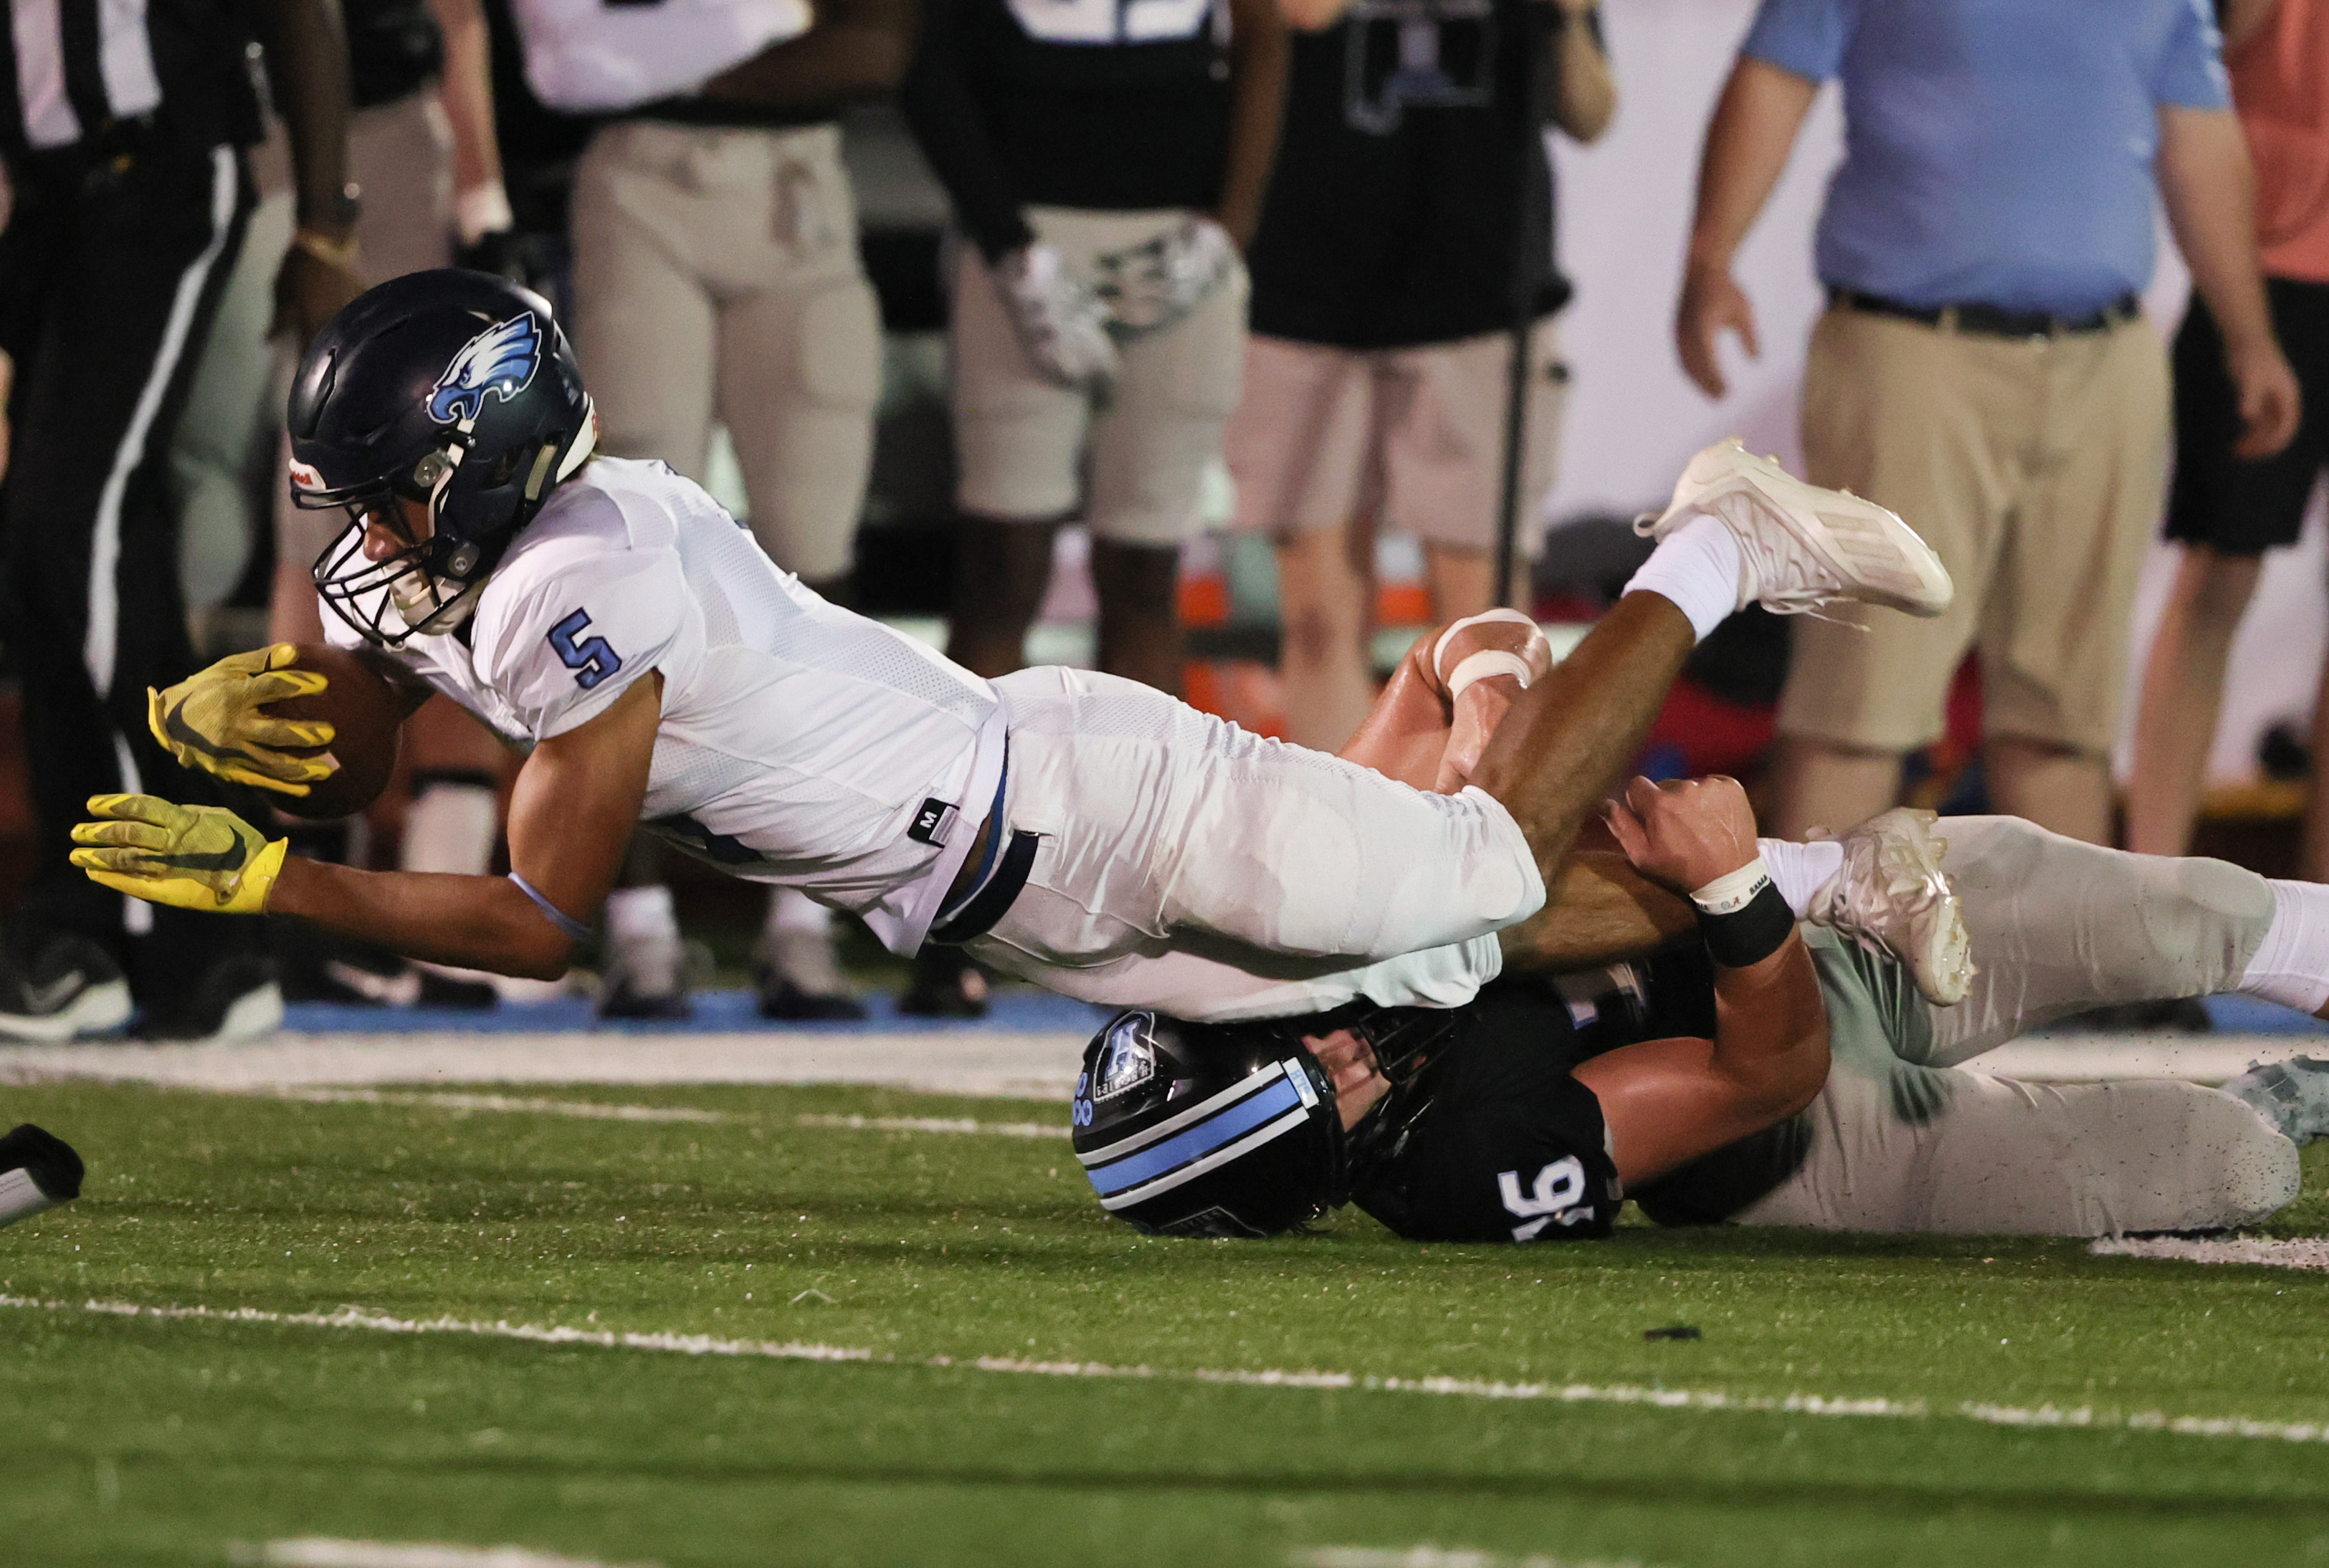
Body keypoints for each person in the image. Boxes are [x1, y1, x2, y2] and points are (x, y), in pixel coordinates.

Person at [78, 272, 1951, 1021]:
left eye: (389, 501)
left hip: (1081, 806)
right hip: (1004, 888)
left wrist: (275, 883)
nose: (367, 544)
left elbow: (533, 922)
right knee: (1434, 966)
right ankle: (1826, 883)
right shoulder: (476, 566)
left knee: (1476, 868)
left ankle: (1713, 545)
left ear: (481, 469)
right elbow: (382, 725)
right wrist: (274, 720)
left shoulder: (588, 580)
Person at [1068, 686, 2329, 1241]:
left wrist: (1486, 686)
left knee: (2196, 909)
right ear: (1319, 1167)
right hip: (1801, 1134)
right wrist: (1731, 888)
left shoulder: (1287, 931)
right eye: (1316, 1082)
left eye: (1284, 1034)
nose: (1335, 1038)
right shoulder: (1462, 1170)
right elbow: (1760, 1078)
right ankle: (2274, 1100)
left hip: (1833, 926)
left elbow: (1444, 660)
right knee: (2229, 1163)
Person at [1675, 0, 2304, 846]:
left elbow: (2197, 128)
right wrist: (1711, 256)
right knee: (1859, 711)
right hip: (1910, 356)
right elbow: (1775, 76)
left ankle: (2065, 944)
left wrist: (2248, 333)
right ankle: (1810, 938)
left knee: (2064, 725)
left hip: (2105, 364)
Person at [515, 0, 916, 1020]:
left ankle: (805, 919)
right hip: (642, 179)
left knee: (819, 569)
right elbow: (561, 65)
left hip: (799, 181)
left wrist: (666, 57)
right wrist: (768, 39)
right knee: (622, 563)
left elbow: (882, 45)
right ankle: (639, 923)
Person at [0, 0, 361, 1043]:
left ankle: (128, 912)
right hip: (49, 198)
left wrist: (326, 224)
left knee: (77, 530)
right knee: (76, 549)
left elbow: (302, 12)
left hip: (158, 171)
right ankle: (174, 932)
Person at [1231, 0, 1613, 751]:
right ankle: (1335, 816)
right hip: (1302, 289)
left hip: (1480, 294)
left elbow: (1590, 111)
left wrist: (1567, 23)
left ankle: (1479, 814)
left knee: (1483, 623)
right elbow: (1299, 16)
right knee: (1318, 617)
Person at [264, 0, 526, 1013]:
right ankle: (313, 901)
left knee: (435, 514)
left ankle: (428, 904)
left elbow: (453, 20)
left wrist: (485, 199)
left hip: (366, 145)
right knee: (328, 516)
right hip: (262, 146)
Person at [2130, 0, 2329, 875]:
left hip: (2270, 269)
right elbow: (2220, 34)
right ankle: (2155, 895)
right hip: (2262, 274)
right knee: (2219, 574)